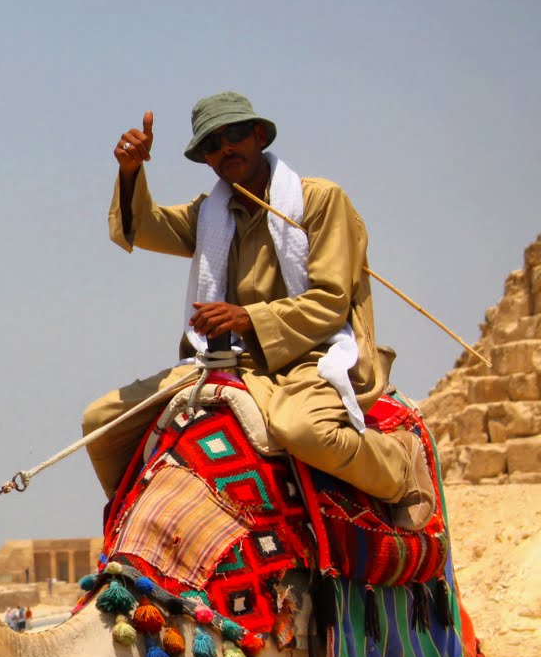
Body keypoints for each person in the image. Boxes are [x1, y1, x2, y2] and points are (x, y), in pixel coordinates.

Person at [82, 92, 434, 529]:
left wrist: (248, 319)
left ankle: (400, 467)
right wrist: (131, 172)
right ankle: (141, 527)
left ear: (259, 135)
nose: (225, 148)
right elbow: (146, 227)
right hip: (226, 362)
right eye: (212, 144)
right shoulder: (209, 214)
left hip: (312, 356)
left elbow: (329, 302)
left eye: (233, 135)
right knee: (101, 422)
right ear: (205, 160)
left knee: (304, 431)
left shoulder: (320, 201)